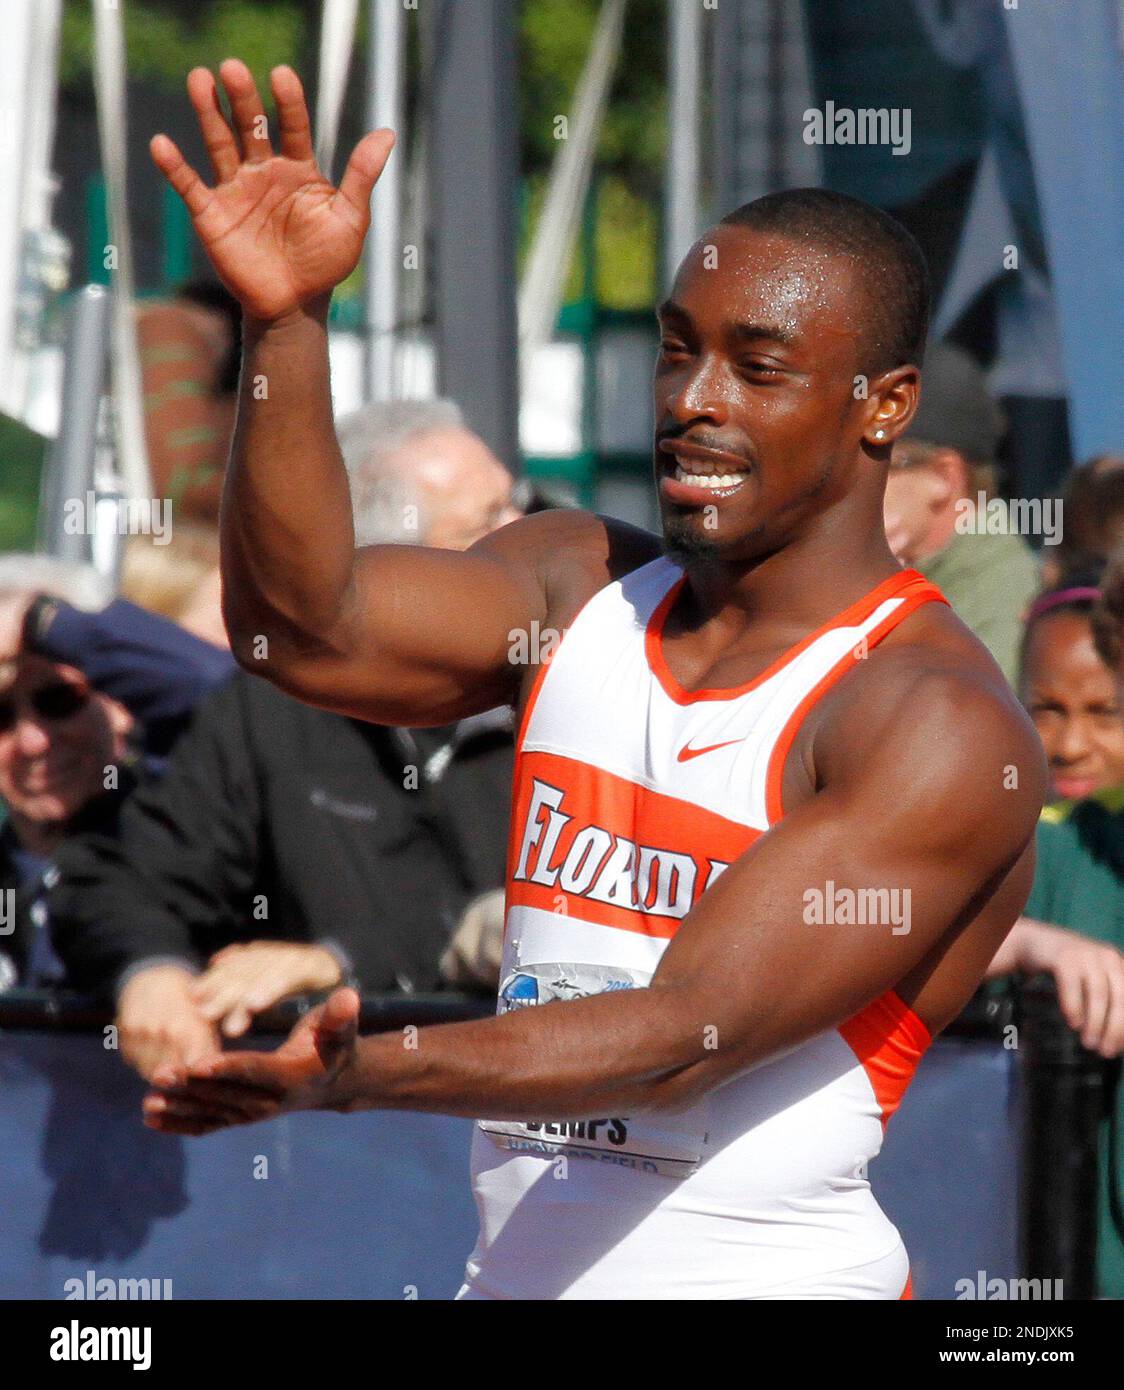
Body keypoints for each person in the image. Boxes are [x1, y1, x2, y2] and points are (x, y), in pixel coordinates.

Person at [143, 60, 1045, 1301]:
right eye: (677, 353)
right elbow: (299, 631)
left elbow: (681, 1043)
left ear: (881, 406)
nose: (691, 402)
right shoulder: (575, 579)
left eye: (756, 367)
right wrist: (285, 325)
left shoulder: (926, 715)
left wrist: (369, 1070)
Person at [49, 399, 519, 1081]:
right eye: (488, 523)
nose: (528, 537)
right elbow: (119, 879)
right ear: (390, 565)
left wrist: (339, 960)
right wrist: (150, 974)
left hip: (544, 1138)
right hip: (336, 1153)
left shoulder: (574, 693)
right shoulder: (269, 712)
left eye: (517, 504)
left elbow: (564, 928)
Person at [0, 556, 234, 989]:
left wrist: (39, 622)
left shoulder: (176, 830)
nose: (33, 741)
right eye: (1, 718)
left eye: (59, 701)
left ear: (118, 702)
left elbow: (221, 692)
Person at [882, 342, 1040, 685]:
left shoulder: (1002, 595)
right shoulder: (922, 574)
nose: (854, 486)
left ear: (944, 478)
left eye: (879, 465)